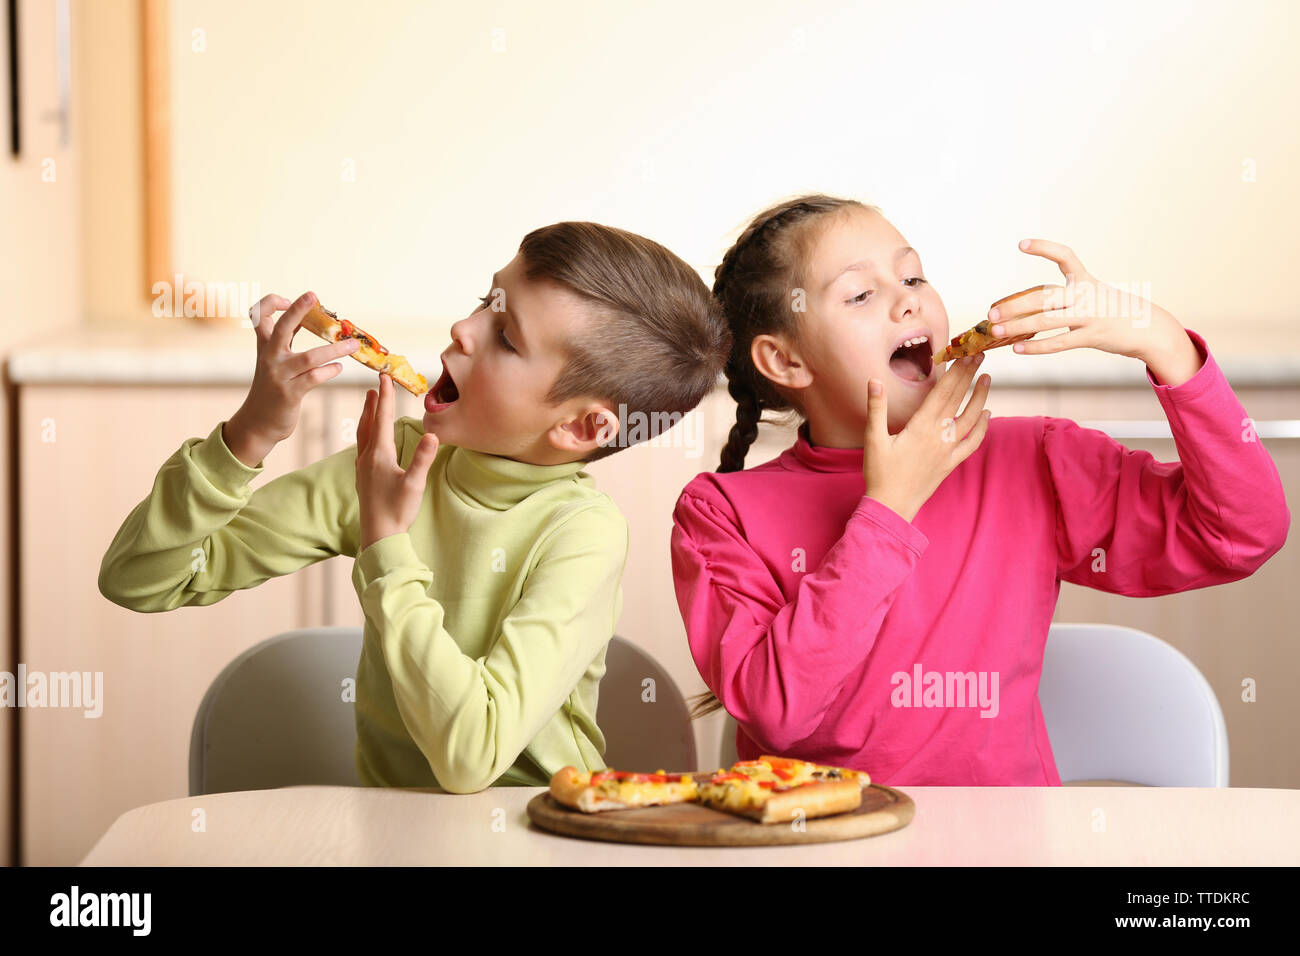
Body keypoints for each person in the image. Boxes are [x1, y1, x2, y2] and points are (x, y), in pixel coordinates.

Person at [671, 193, 1290, 785]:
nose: (907, 303)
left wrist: (1164, 342)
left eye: (913, 278)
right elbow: (780, 709)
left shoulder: (1032, 461)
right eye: (861, 293)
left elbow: (1239, 535)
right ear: (785, 362)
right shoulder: (720, 514)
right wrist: (888, 510)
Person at [99, 221, 729, 792]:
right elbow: (141, 579)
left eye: (506, 338)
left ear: (580, 428)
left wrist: (385, 545)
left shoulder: (583, 535)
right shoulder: (391, 462)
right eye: (489, 300)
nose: (464, 328)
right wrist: (250, 434)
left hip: (540, 839)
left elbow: (470, 757)